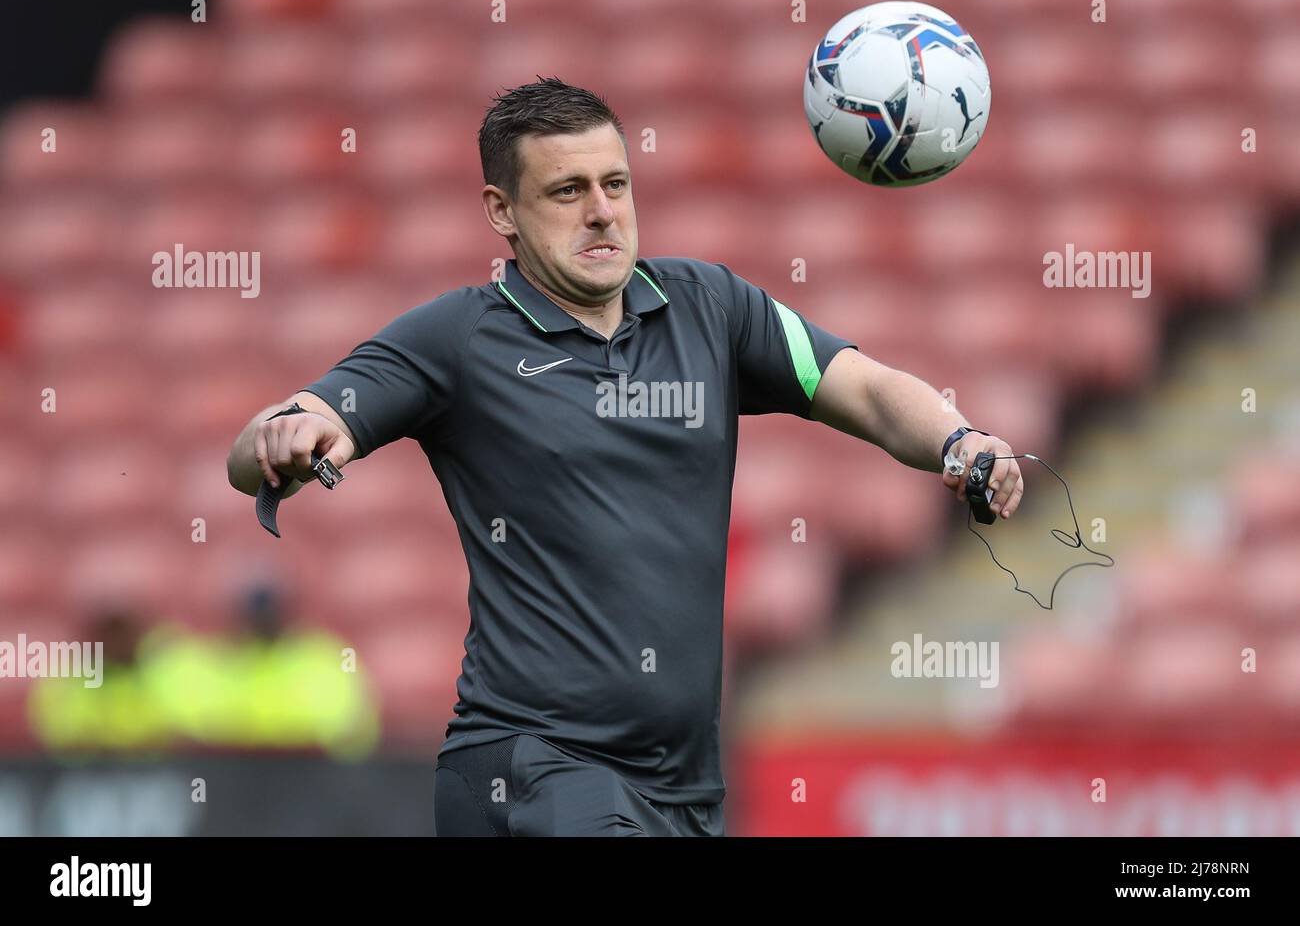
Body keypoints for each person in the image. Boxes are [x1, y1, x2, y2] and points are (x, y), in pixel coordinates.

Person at [225, 77, 1024, 836]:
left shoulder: (711, 308)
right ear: (501, 211)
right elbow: (283, 430)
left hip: (684, 789)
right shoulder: (459, 339)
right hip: (534, 768)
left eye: (617, 184)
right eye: (568, 192)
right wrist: (285, 433)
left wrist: (960, 440)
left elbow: (872, 390)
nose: (603, 213)